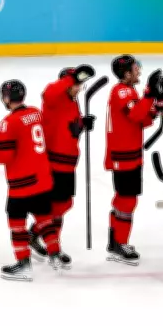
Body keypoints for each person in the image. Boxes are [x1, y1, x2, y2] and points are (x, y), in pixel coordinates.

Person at [0, 80, 62, 280]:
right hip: (43, 180)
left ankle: (23, 264)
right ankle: (55, 256)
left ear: (6, 98)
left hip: (22, 184)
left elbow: (5, 156)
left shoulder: (8, 122)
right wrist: (1, 139)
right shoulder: (36, 113)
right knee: (45, 219)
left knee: (16, 223)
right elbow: (26, 137)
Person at [30, 65, 97, 268]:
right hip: (55, 163)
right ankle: (51, 246)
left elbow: (66, 128)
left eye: (80, 85)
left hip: (68, 163)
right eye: (76, 85)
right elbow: (48, 92)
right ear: (65, 84)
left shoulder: (72, 102)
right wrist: (71, 78)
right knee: (57, 206)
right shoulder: (54, 100)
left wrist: (82, 125)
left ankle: (37, 235)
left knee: (64, 205)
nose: (78, 88)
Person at [104, 55, 163, 265]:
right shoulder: (122, 91)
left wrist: (156, 104)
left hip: (130, 155)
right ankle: (119, 244)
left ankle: (115, 242)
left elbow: (143, 119)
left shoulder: (128, 92)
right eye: (135, 68)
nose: (139, 71)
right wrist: (149, 93)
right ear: (126, 73)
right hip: (124, 157)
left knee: (124, 199)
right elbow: (137, 115)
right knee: (126, 200)